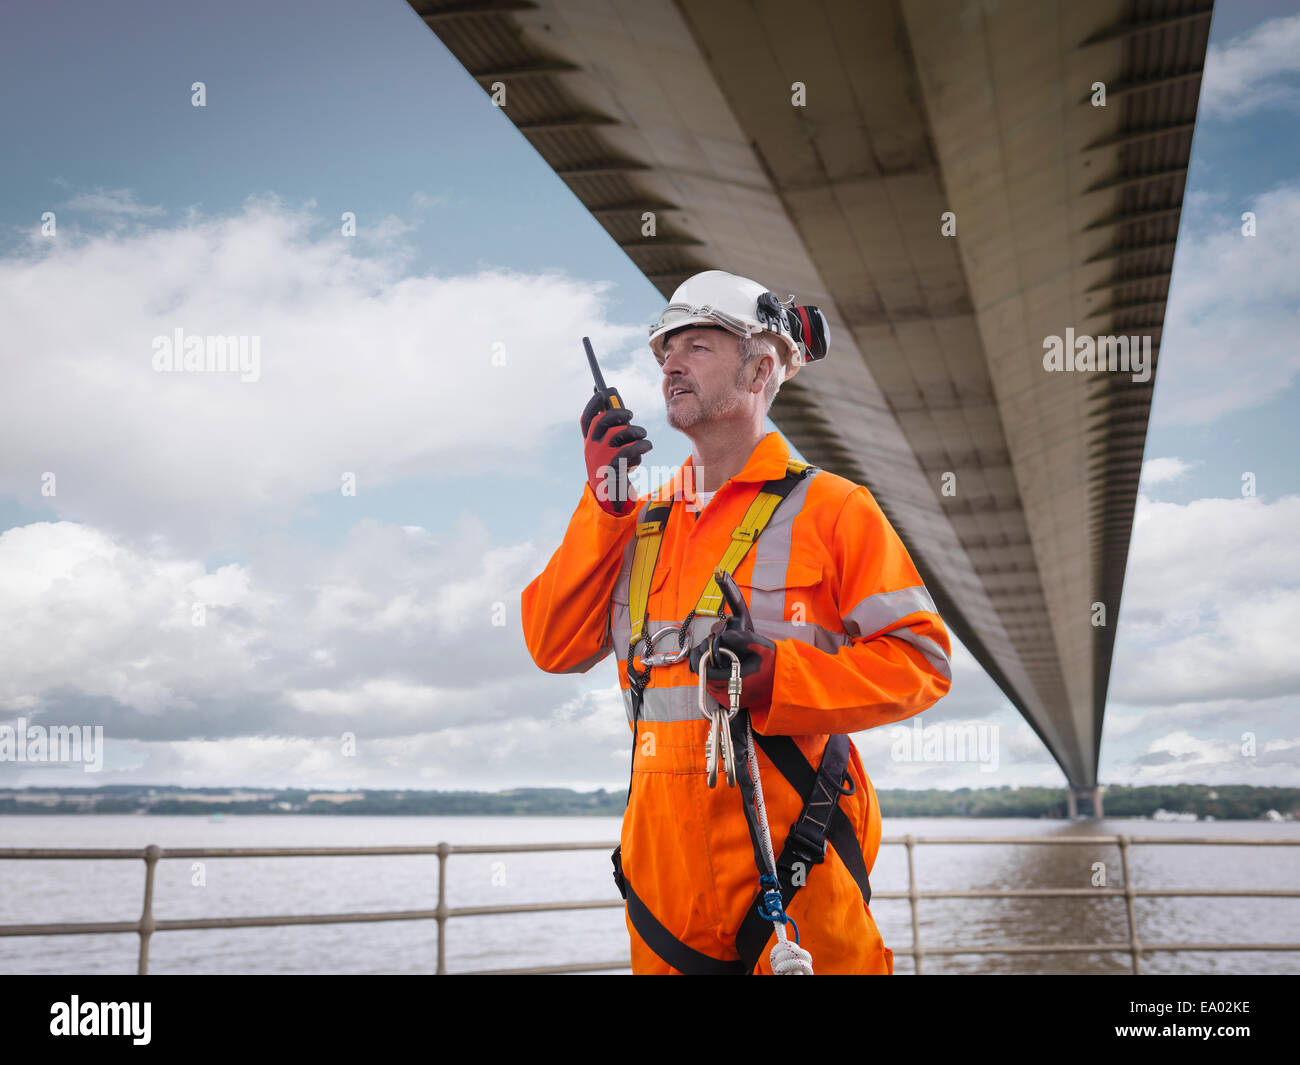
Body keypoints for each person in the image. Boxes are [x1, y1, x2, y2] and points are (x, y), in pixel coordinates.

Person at [521, 270, 952, 974]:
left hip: (798, 881)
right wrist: (605, 503)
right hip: (664, 900)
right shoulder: (639, 519)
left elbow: (922, 663)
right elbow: (552, 645)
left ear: (758, 369)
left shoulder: (835, 508)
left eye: (697, 346)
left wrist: (782, 678)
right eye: (665, 354)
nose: (672, 366)